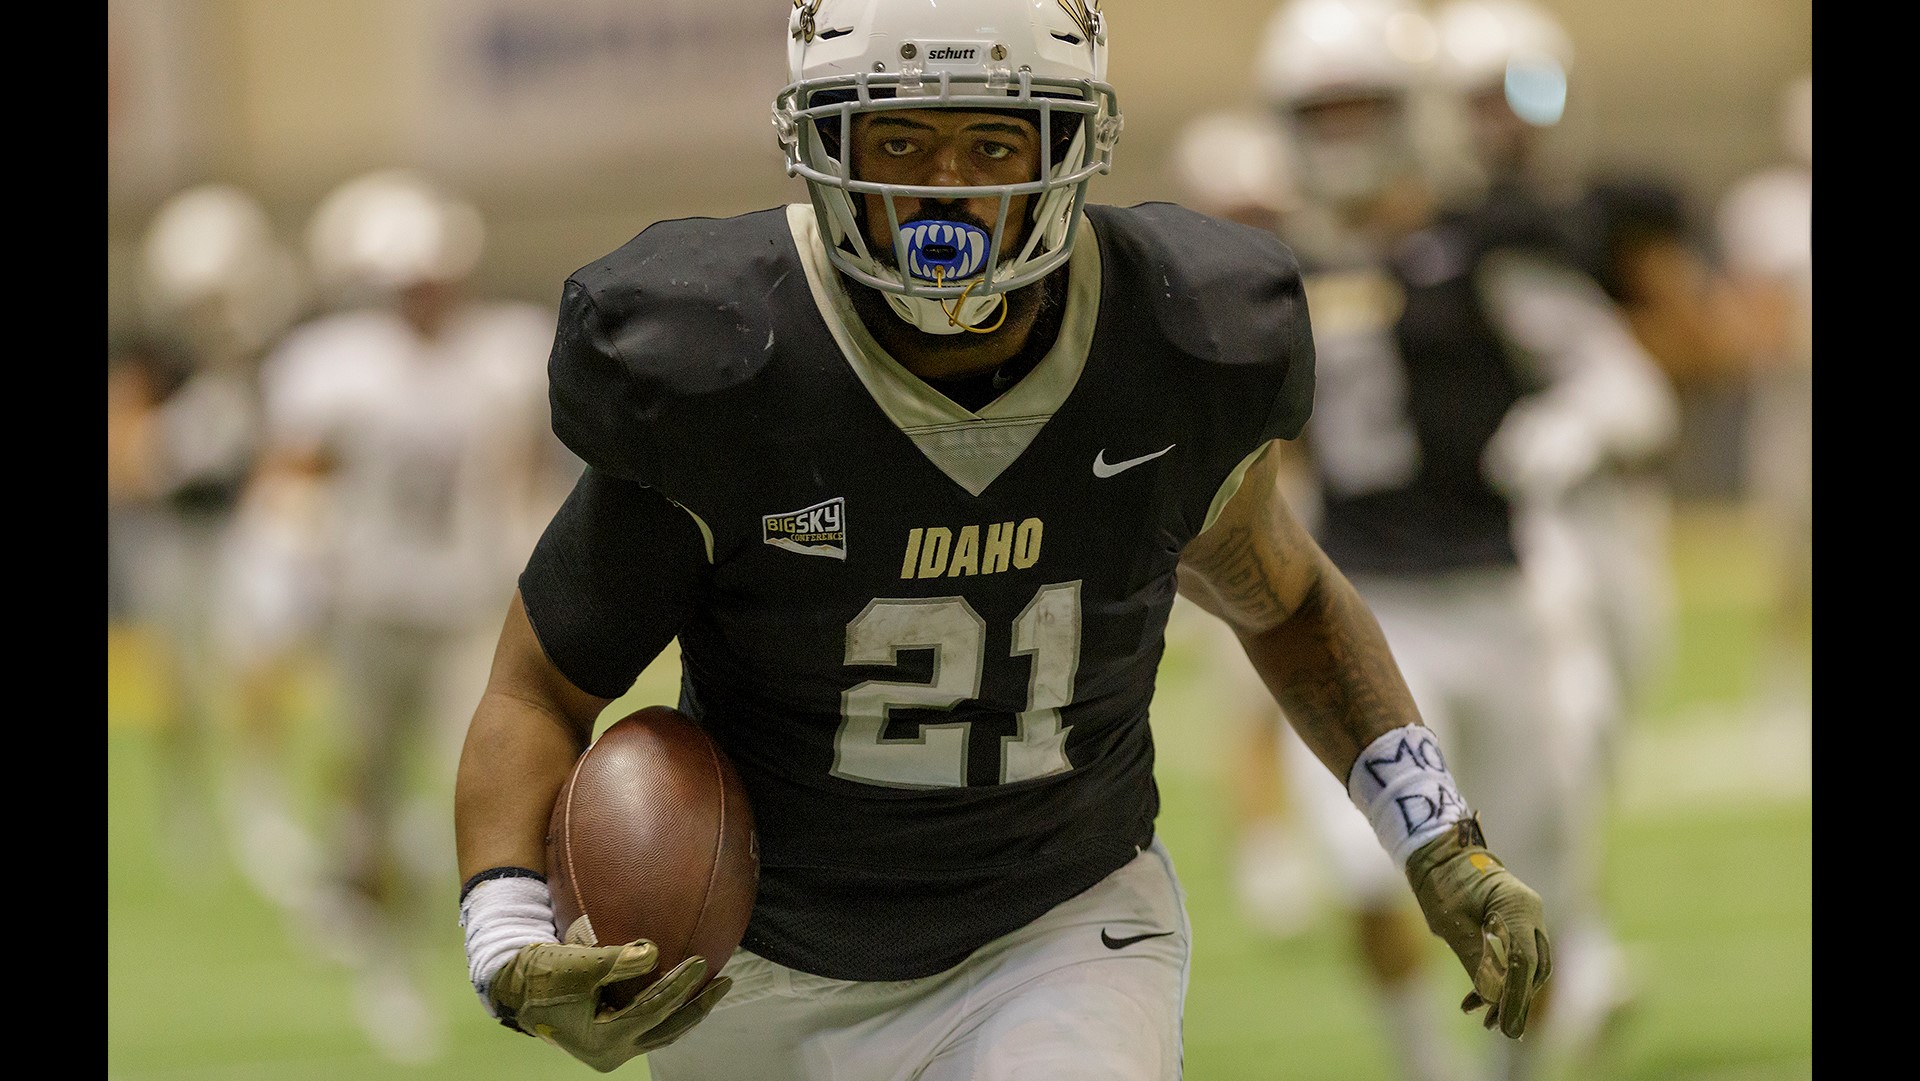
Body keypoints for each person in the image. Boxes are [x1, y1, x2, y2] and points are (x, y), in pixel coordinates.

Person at [454, 2, 1551, 1078]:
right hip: (757, 966)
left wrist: (1435, 834)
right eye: (897, 138)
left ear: (1071, 144)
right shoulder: (723, 368)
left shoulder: (1170, 343)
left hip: (1056, 928)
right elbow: (539, 688)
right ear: (823, 143)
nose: (945, 186)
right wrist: (506, 939)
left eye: (991, 140)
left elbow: (1290, 601)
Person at [1254, 1, 1670, 1079]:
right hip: (1364, 611)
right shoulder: (1266, 270)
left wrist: (1570, 427)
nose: (1342, 132)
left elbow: (1624, 380)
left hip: (1504, 604)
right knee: (1360, 864)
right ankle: (1424, 1068)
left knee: (1537, 889)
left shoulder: (1486, 245)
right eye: (1322, 110)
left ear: (1411, 112)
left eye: (1362, 105)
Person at [246, 168, 564, 1062]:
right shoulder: (338, 365)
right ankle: (367, 914)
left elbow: (517, 474)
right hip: (371, 604)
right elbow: (295, 479)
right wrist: (292, 570)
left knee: (487, 769)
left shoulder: (497, 353)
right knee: (367, 779)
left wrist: (526, 560)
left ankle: (495, 935)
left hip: (463, 603)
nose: (427, 291)